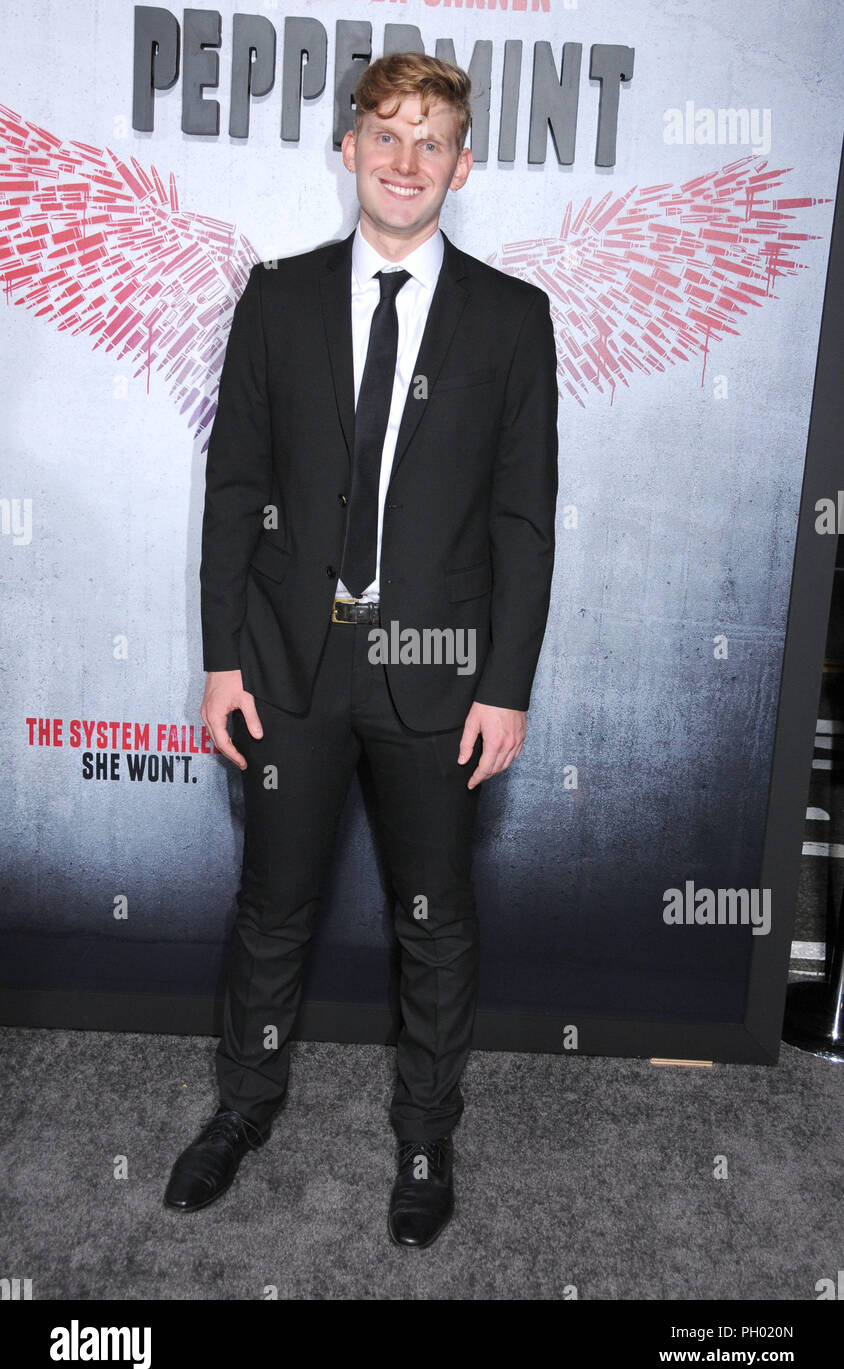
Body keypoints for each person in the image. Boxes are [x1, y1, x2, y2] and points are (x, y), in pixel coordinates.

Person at [164, 52, 559, 1249]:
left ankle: (427, 1134)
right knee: (272, 907)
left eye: (429, 138)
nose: (404, 159)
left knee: (432, 919)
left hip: (440, 672)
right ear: (347, 151)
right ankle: (243, 1106)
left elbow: (522, 525)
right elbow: (235, 490)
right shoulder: (275, 297)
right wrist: (222, 657)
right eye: (383, 135)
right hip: (288, 664)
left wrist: (505, 686)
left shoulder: (510, 316)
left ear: (463, 164)